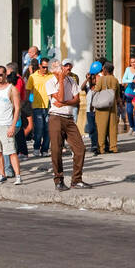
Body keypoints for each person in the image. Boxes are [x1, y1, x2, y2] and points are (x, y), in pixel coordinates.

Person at [46, 57, 88, 190]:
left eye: (69, 66)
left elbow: (76, 100)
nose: (67, 69)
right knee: (56, 150)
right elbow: (61, 96)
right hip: (56, 117)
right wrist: (60, 80)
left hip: (69, 117)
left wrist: (64, 103)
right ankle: (58, 179)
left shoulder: (72, 80)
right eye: (65, 66)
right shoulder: (50, 82)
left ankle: (76, 179)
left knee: (80, 149)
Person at [90, 62, 121, 154]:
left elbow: (96, 91)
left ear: (105, 70)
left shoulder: (101, 79)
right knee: (112, 127)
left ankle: (101, 148)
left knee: (101, 127)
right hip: (112, 106)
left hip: (102, 106)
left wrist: (92, 103)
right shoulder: (115, 80)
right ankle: (113, 147)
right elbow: (118, 95)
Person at [26, 58, 51, 156]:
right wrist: (27, 102)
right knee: (39, 128)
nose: (45, 69)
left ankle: (44, 149)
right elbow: (28, 89)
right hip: (37, 105)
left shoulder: (51, 76)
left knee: (48, 128)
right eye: (44, 67)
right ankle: (36, 147)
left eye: (47, 67)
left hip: (48, 106)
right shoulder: (33, 77)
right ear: (40, 66)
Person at [82, 60, 102, 153]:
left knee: (98, 127)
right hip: (89, 111)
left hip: (96, 110)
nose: (91, 80)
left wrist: (96, 78)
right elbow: (81, 87)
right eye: (90, 78)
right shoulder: (88, 88)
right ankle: (93, 144)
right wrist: (87, 79)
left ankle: (99, 144)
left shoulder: (97, 87)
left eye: (92, 78)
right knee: (91, 128)